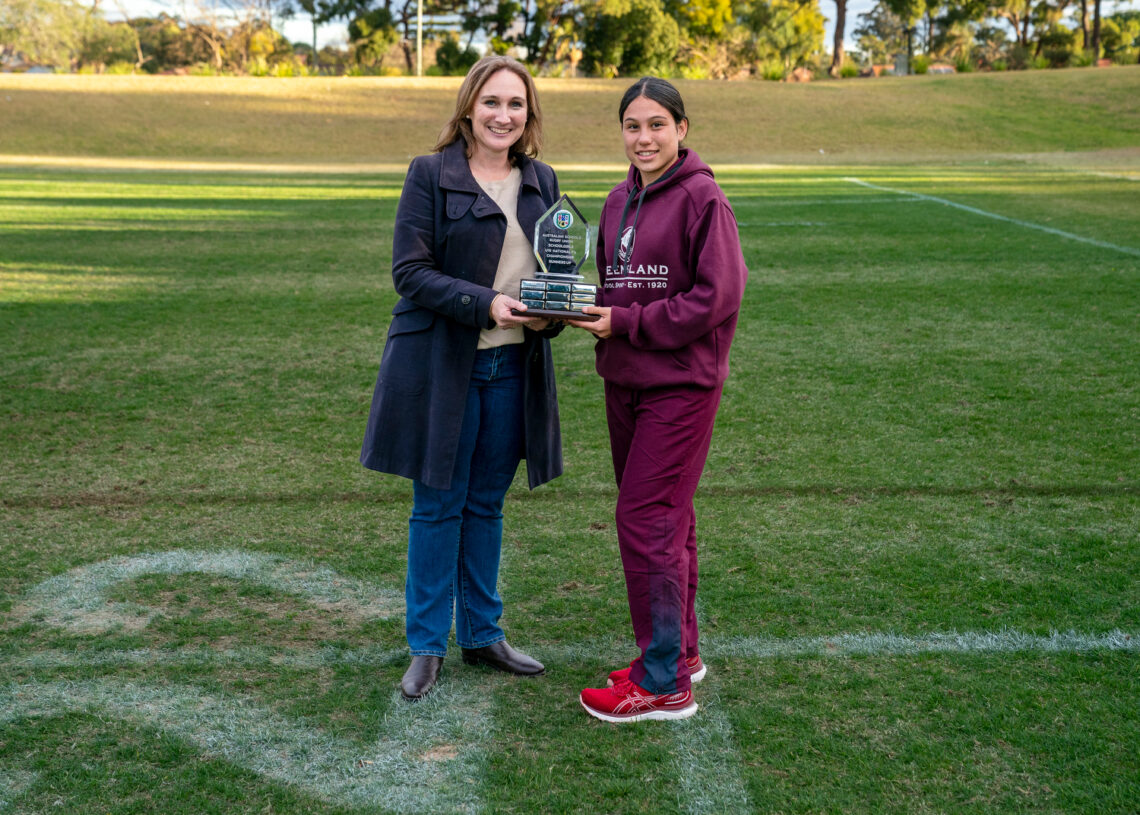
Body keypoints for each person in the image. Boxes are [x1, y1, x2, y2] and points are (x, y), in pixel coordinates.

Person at [360, 56, 564, 701]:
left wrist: (552, 316)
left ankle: (481, 632)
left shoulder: (542, 180)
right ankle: (426, 646)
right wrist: (486, 304)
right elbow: (410, 272)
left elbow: (555, 276)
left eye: (516, 104)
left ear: (529, 115)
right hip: (443, 365)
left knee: (486, 504)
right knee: (437, 505)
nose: (504, 115)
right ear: (468, 107)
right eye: (492, 102)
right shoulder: (430, 173)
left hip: (512, 365)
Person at [568, 77, 748, 722]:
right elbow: (619, 288)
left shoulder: (703, 198)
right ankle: (682, 652)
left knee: (645, 520)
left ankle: (664, 681)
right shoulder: (617, 200)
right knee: (667, 519)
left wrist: (628, 323)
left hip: (680, 383)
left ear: (682, 129)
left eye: (656, 125)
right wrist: (580, 309)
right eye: (631, 125)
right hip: (625, 380)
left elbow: (716, 298)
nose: (643, 138)